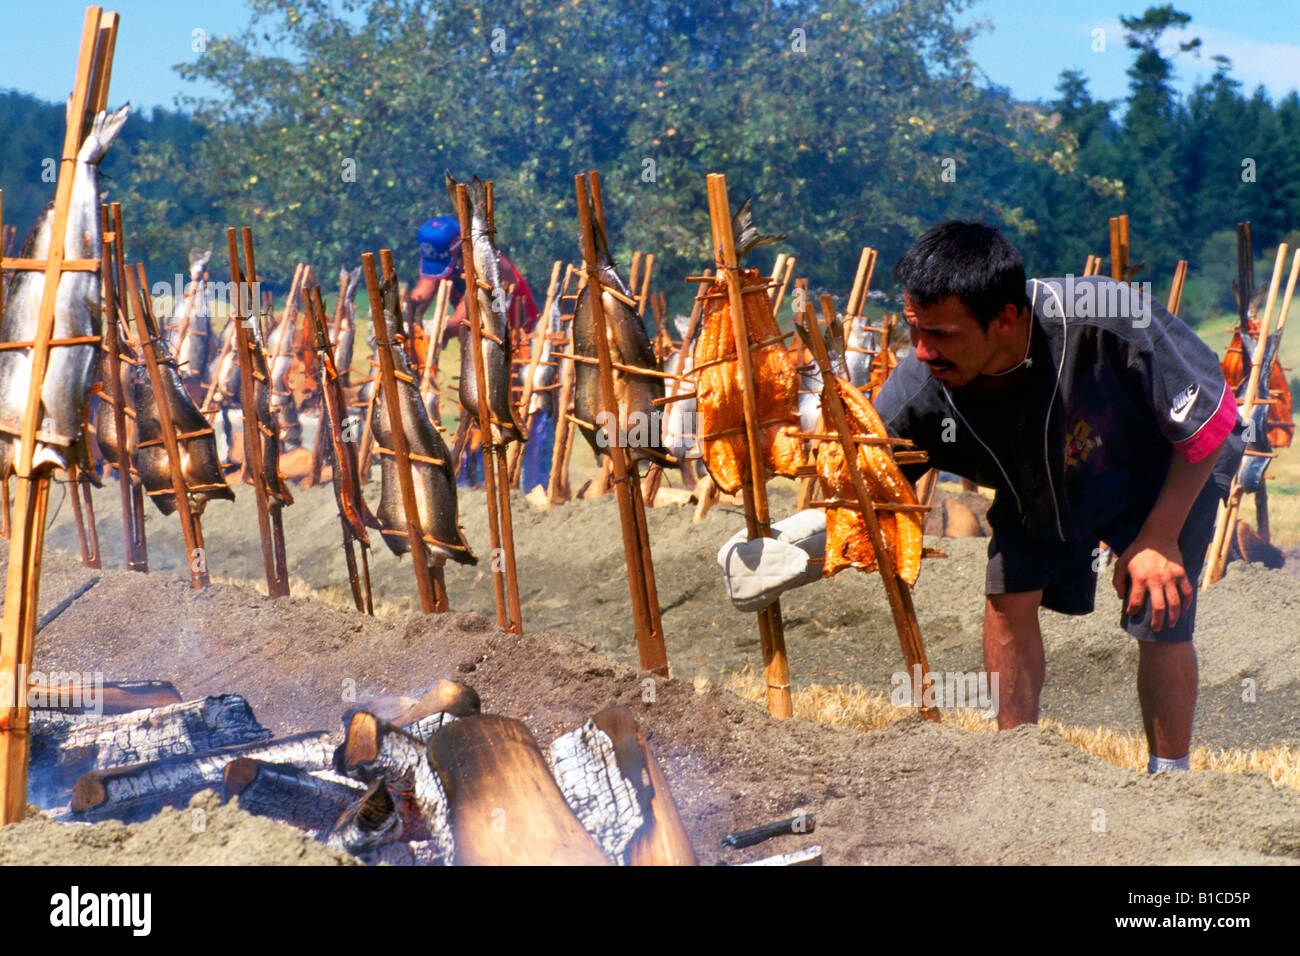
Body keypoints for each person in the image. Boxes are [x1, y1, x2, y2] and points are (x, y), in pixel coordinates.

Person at [874, 221, 1244, 774]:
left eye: (943, 334)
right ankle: (1016, 768)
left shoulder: (1111, 319)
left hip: (1160, 470)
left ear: (1005, 317)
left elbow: (1209, 423)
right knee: (1008, 597)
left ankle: (1171, 781)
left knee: (1161, 607)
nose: (922, 351)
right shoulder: (918, 389)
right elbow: (864, 482)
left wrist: (1160, 537)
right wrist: (794, 545)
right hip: (1038, 479)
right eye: (914, 330)